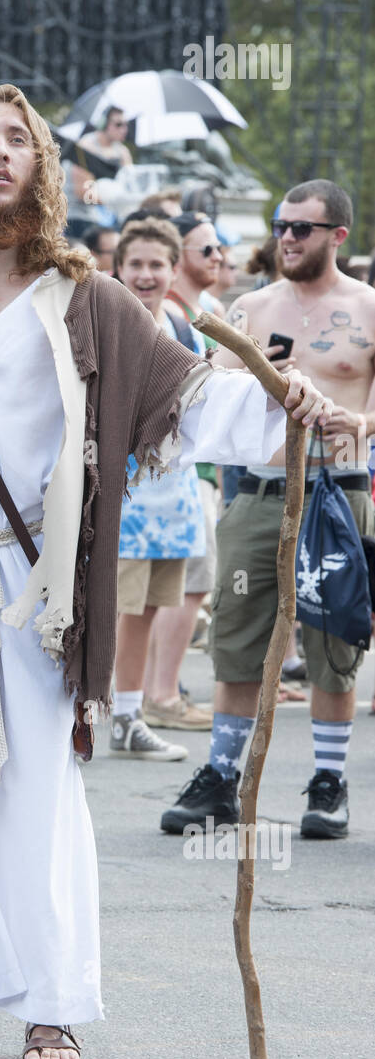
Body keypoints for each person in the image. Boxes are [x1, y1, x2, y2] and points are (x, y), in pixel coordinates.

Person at [0, 83, 331, 1059]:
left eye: (13, 141)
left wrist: (290, 409)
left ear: (39, 170)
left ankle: (51, 1003)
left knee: (38, 796)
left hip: (35, 590)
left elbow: (189, 403)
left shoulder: (88, 300)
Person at [162, 179, 375, 841]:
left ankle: (327, 784)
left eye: (301, 228)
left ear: (336, 235)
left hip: (336, 494)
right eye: (280, 225)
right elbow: (211, 399)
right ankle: (221, 778)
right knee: (236, 639)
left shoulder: (368, 308)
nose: (285, 237)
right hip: (255, 495)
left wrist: (359, 422)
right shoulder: (248, 309)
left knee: (331, 643)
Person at [110, 216, 206, 758]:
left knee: (145, 610)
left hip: (172, 495)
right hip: (122, 496)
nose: (146, 275)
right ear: (118, 268)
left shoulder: (183, 324)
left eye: (156, 264)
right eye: (136, 264)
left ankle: (128, 716)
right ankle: (88, 714)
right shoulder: (105, 320)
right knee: (111, 610)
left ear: (175, 270)